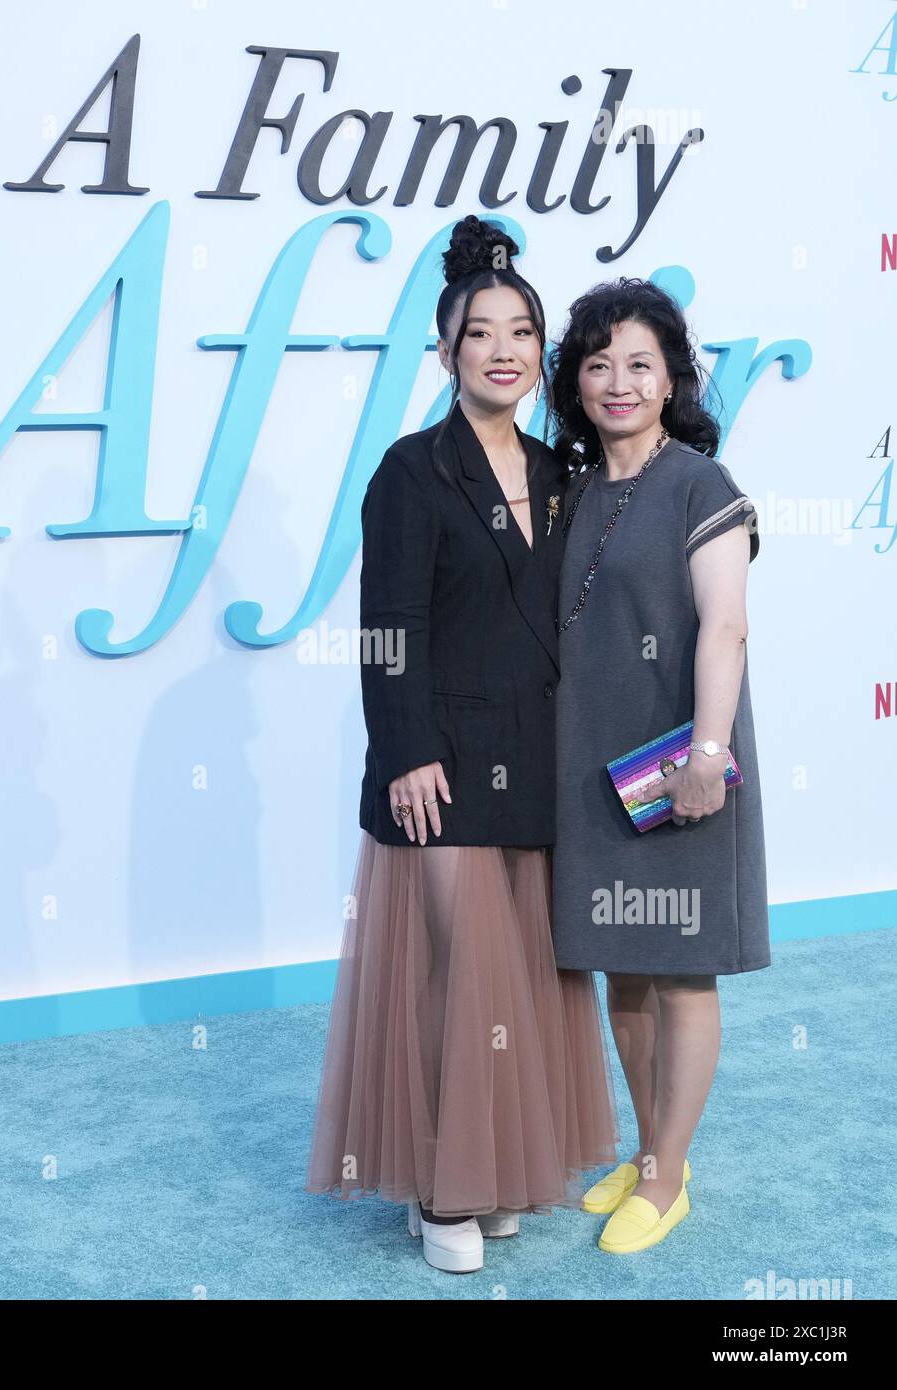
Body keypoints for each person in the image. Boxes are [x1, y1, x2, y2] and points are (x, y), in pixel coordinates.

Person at [304, 215, 618, 1274]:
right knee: (452, 981)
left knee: (520, 982)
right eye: (478, 332)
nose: (501, 349)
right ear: (443, 354)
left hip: (535, 765)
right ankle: (439, 1187)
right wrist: (405, 755)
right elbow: (389, 626)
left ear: (541, 352)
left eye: (520, 331)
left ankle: (492, 1174)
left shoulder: (559, 469)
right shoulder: (410, 471)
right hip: (437, 768)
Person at [548, 277, 770, 1255]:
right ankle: (645, 1156)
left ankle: (668, 1174)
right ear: (576, 382)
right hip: (591, 773)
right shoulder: (574, 487)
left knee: (680, 972)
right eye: (596, 363)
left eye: (637, 362)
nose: (616, 381)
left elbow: (723, 625)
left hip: (678, 764)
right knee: (622, 973)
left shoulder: (700, 486)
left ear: (670, 375)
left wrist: (706, 754)